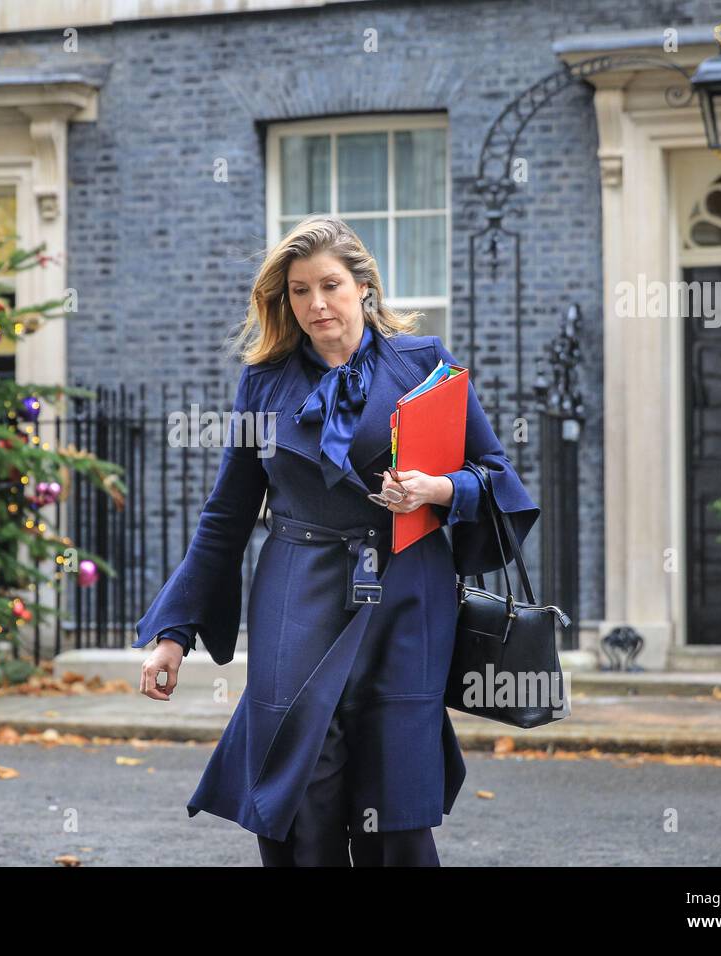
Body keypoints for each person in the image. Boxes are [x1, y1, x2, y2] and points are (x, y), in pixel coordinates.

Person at [134, 214, 540, 866]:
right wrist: (173, 634)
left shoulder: (425, 364)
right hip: (299, 590)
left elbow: (496, 478)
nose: (316, 303)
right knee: (303, 782)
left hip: (407, 590)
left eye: (330, 285)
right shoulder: (262, 383)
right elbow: (226, 516)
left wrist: (438, 490)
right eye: (299, 290)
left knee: (395, 791)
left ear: (364, 287)